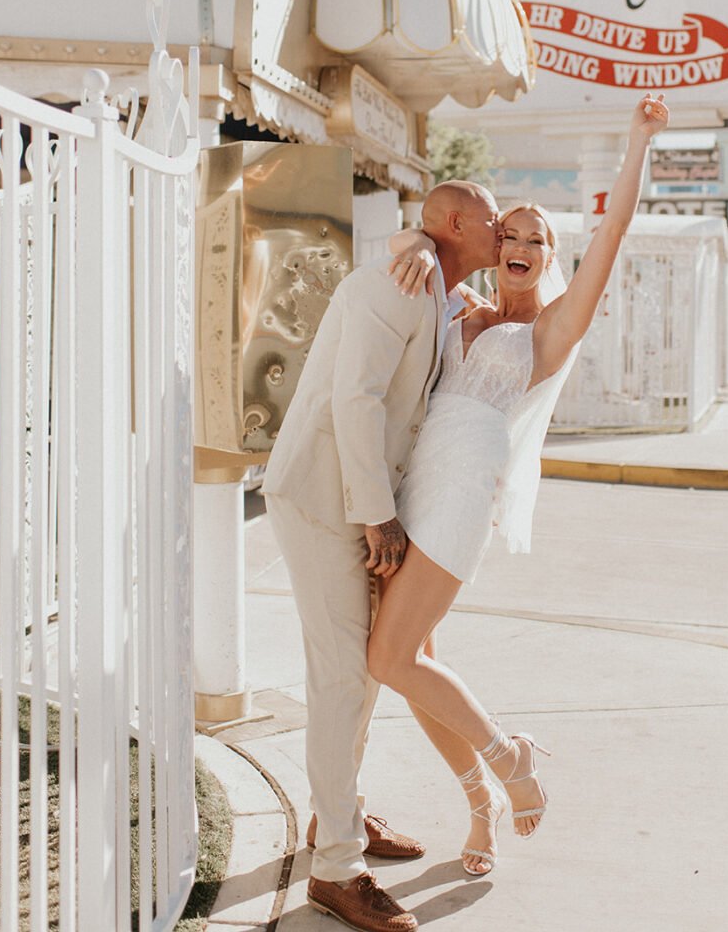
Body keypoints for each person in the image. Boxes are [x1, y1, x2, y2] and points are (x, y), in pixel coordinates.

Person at [369, 93, 669, 878]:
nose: (520, 244)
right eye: (510, 233)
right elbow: (416, 240)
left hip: (463, 493)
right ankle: (480, 809)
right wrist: (410, 234)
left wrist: (637, 142)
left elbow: (613, 231)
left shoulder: (549, 331)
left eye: (536, 238)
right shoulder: (460, 309)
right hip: (409, 489)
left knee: (389, 658)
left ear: (548, 255)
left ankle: (510, 761)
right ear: (493, 243)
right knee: (415, 666)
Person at [261, 178, 503, 932]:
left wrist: (417, 243)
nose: (501, 233)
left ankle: (338, 818)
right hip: (324, 498)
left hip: (364, 506)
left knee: (361, 676)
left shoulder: (435, 286)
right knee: (342, 679)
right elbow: (355, 397)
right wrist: (378, 519)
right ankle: (335, 870)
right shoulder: (394, 282)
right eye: (494, 221)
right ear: (457, 223)